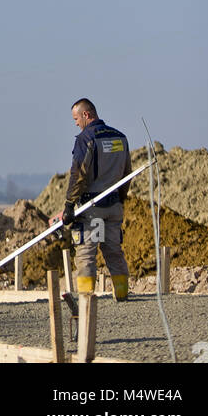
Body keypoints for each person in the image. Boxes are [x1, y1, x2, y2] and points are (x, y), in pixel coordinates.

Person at [52, 98, 131, 301]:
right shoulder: (119, 138)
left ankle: (86, 300)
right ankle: (122, 294)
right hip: (114, 205)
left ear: (86, 115)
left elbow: (78, 174)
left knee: (87, 253)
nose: (76, 123)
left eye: (76, 118)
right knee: (114, 251)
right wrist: (121, 199)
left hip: (92, 207)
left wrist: (69, 204)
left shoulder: (85, 139)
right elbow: (126, 173)